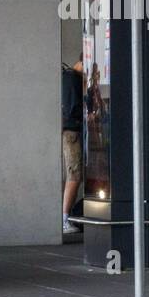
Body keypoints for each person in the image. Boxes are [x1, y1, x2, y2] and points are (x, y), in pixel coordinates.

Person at [61, 57, 84, 234]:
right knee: (74, 175)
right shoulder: (72, 79)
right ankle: (65, 218)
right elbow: (72, 109)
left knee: (75, 175)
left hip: (71, 131)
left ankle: (67, 217)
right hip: (72, 132)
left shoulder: (68, 77)